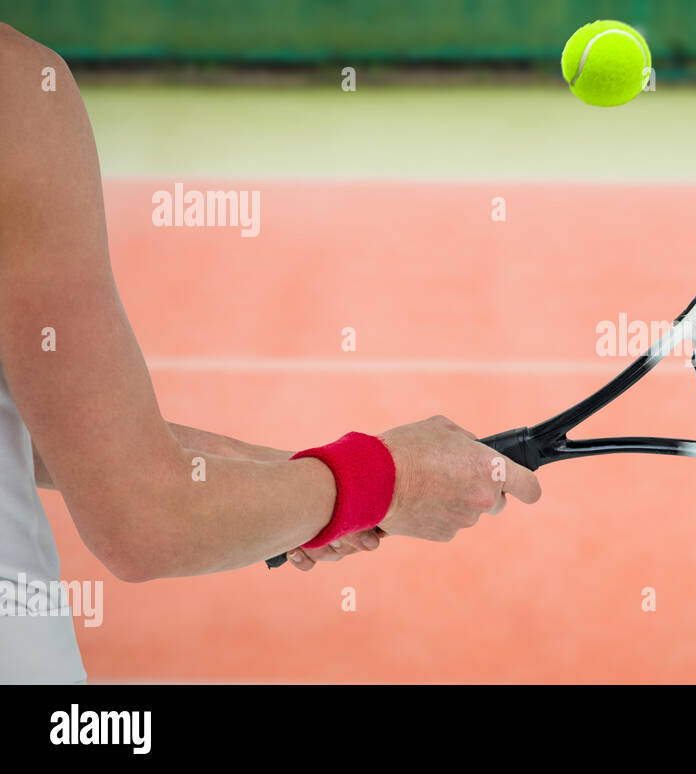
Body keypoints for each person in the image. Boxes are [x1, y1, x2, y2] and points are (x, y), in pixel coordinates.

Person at [0, 23, 542, 684]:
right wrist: (390, 480)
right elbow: (142, 517)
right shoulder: (17, 92)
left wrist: (301, 483)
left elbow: (49, 439)